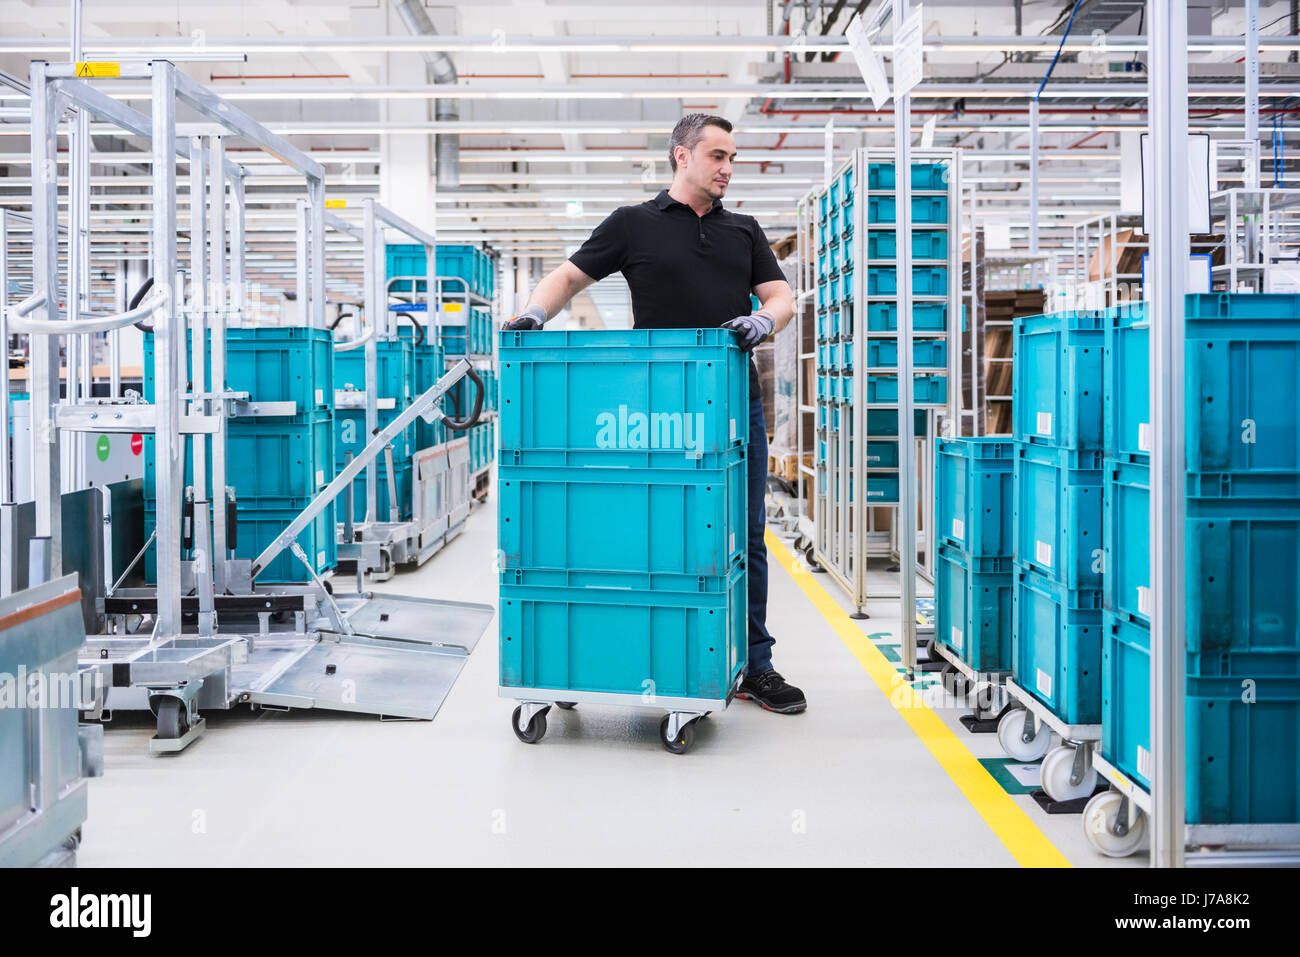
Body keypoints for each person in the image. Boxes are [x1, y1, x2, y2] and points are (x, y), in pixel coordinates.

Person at [504, 113, 806, 715]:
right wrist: (534, 315)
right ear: (681, 156)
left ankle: (754, 663)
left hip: (728, 400)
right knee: (645, 527)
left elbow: (780, 295)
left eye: (731, 159)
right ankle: (604, 653)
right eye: (717, 156)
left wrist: (764, 321)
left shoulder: (744, 230)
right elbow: (569, 276)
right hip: (651, 403)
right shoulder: (632, 224)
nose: (726, 169)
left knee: (743, 532)